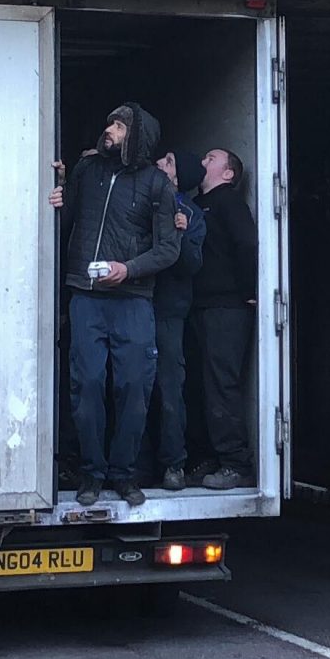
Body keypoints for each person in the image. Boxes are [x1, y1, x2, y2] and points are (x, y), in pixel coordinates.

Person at [47, 103, 181, 507]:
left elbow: (169, 248)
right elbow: (66, 221)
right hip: (85, 295)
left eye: (119, 126)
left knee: (133, 388)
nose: (110, 130)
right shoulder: (87, 171)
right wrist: (60, 194)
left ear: (137, 136)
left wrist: (129, 268)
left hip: (133, 301)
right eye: (110, 123)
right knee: (86, 385)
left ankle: (123, 475)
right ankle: (91, 474)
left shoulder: (158, 184)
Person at [187, 148, 258, 490]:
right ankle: (210, 458)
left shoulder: (228, 203)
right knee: (200, 385)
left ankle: (235, 462)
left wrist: (249, 290)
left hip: (226, 308)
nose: (203, 161)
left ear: (228, 174)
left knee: (221, 385)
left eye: (210, 157)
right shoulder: (195, 205)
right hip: (200, 307)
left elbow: (247, 244)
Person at [145, 151, 207, 491]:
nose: (159, 164)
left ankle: (173, 465)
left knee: (169, 389)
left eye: (168, 161)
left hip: (169, 312)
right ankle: (134, 467)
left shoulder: (192, 215)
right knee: (129, 387)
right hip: (135, 305)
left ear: (178, 177)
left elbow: (191, 266)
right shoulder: (140, 200)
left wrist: (180, 235)